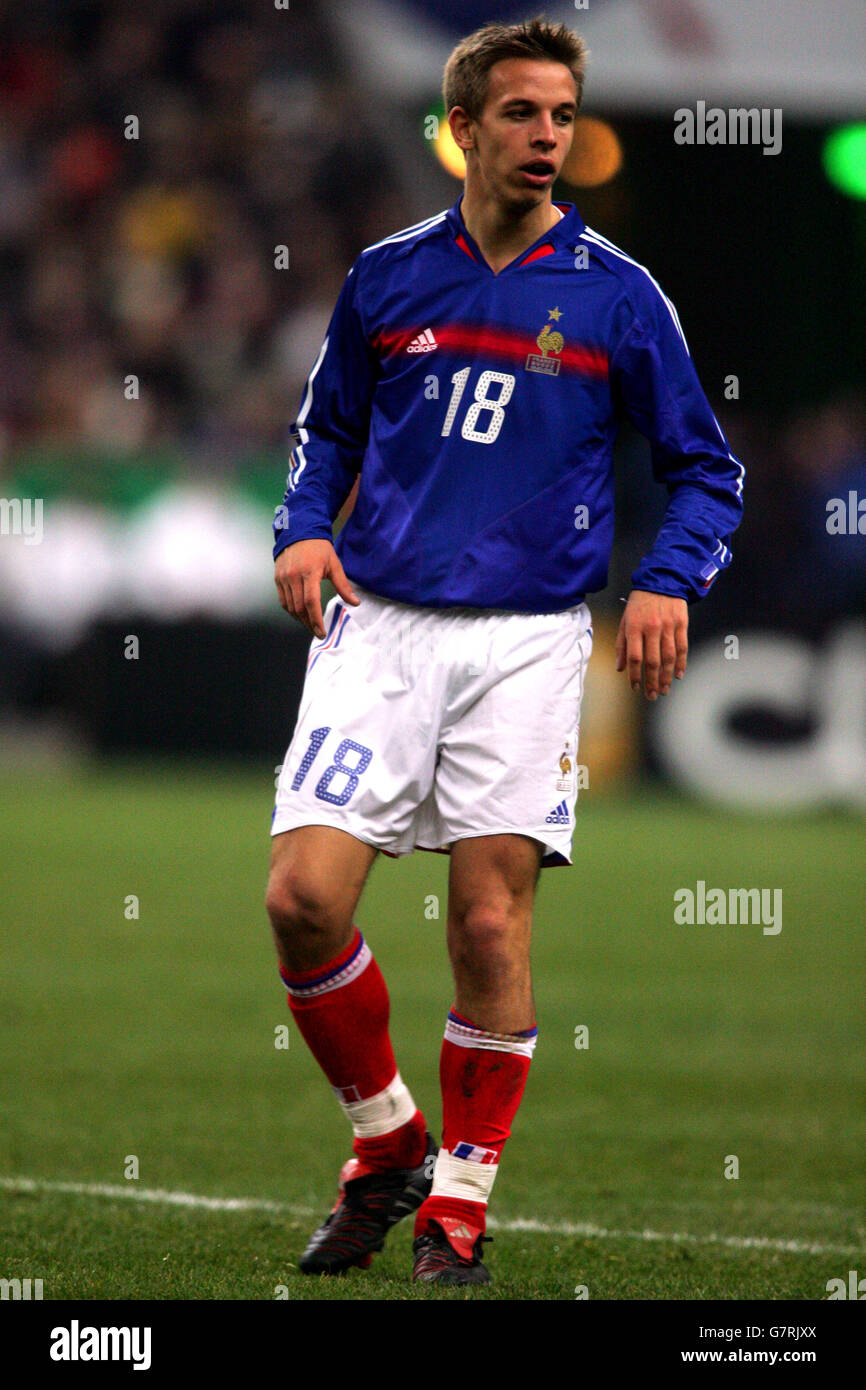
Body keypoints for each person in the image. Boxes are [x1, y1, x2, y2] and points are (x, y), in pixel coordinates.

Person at [266, 17, 744, 1287]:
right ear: (463, 129)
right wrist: (304, 532)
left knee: (487, 921)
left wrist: (664, 580)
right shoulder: (384, 278)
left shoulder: (615, 294)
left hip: (530, 640)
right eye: (523, 113)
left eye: (562, 113)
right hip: (379, 628)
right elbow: (324, 437)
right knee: (300, 902)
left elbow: (704, 467)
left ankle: (455, 1212)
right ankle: (386, 1143)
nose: (548, 135)